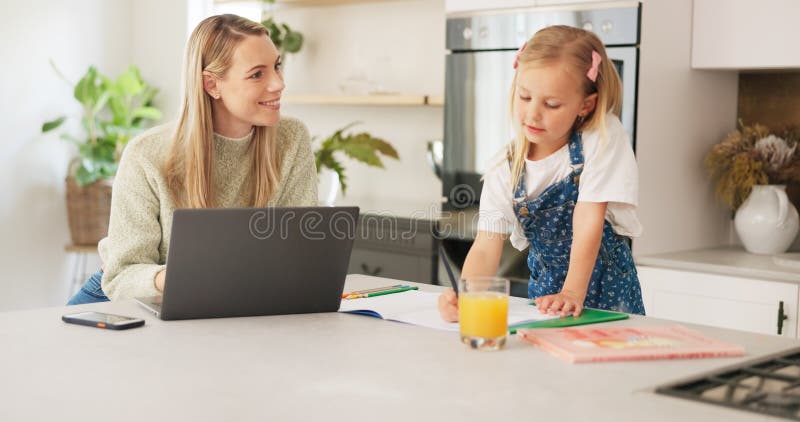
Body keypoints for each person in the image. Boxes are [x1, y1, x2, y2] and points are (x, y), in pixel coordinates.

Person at [67, 14, 317, 305]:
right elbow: (122, 277)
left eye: (276, 67)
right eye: (257, 74)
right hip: (129, 299)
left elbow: (300, 255)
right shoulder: (147, 154)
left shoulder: (291, 139)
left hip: (228, 298)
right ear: (212, 85)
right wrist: (192, 276)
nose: (278, 84)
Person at [438, 25, 644, 321]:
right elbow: (486, 246)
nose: (533, 114)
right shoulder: (506, 168)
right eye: (524, 97)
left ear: (585, 105)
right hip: (546, 300)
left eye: (551, 104)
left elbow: (588, 219)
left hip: (610, 297)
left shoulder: (602, 139)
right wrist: (467, 296)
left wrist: (573, 293)